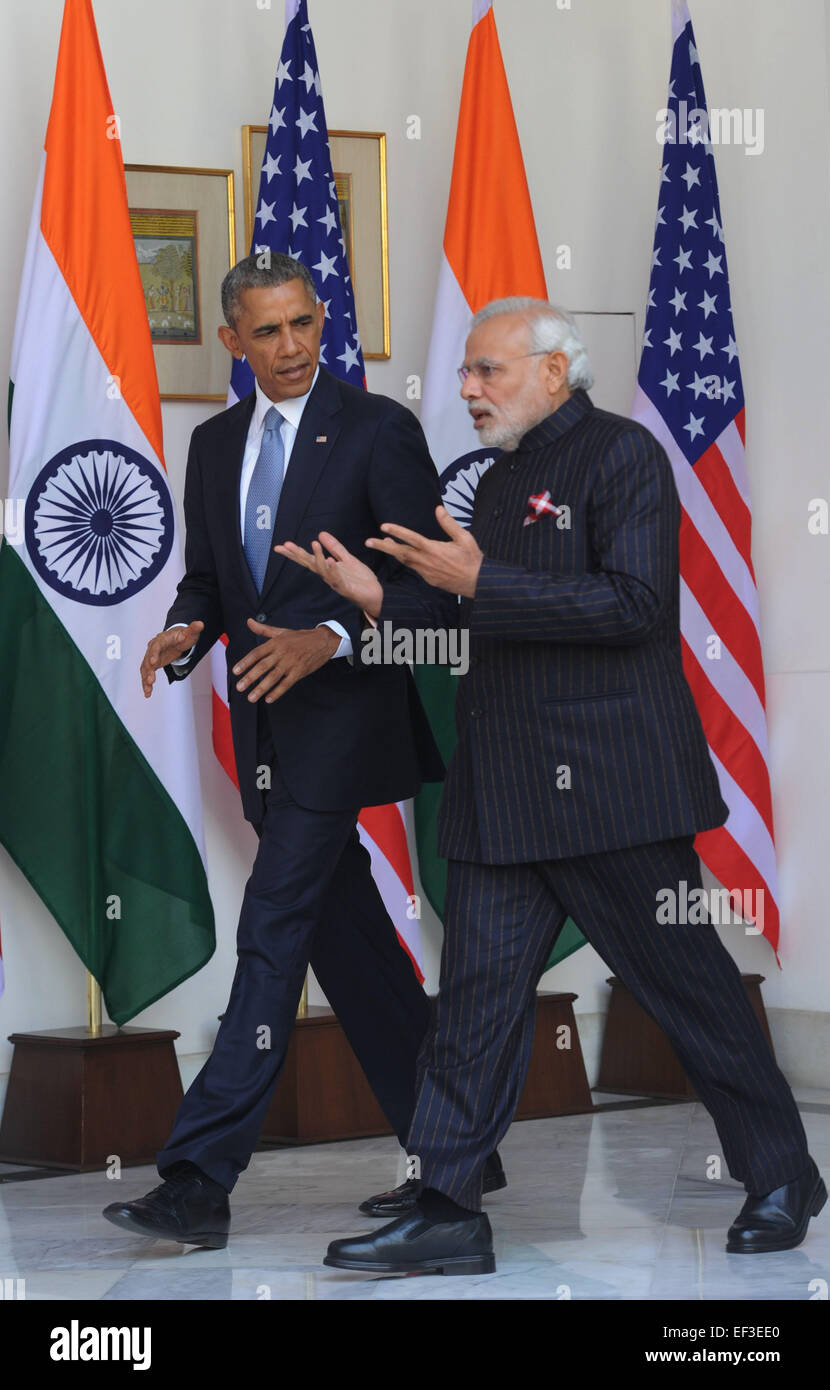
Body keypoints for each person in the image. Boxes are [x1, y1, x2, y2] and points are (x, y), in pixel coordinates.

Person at [277, 297, 826, 1276]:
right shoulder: (494, 486)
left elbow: (635, 606)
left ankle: (782, 1174)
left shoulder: (622, 459)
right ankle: (447, 1203)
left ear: (551, 370)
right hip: (502, 797)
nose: (467, 389)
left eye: (487, 370)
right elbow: (464, 641)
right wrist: (378, 609)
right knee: (474, 1005)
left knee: (689, 994)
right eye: (465, 374)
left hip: (613, 792)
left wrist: (480, 581)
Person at [102, 253, 502, 1250]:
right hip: (264, 731)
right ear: (232, 340)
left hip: (346, 722)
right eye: (266, 332)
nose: (289, 348)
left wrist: (326, 637)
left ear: (320, 319)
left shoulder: (377, 429)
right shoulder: (213, 444)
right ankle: (453, 1147)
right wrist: (188, 628)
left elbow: (430, 596)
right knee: (347, 940)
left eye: (302, 325)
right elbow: (210, 580)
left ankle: (198, 1178)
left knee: (271, 930)